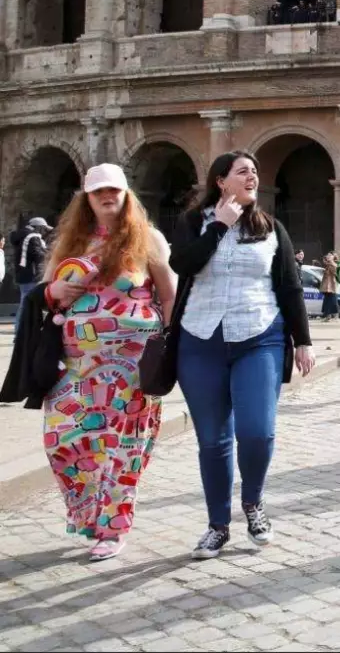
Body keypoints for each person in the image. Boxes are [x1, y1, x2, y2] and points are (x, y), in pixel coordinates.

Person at [170, 150, 315, 560]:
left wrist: (302, 340)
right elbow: (184, 265)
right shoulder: (192, 223)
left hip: (259, 336)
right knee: (213, 441)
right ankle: (218, 526)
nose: (252, 176)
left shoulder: (272, 229)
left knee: (257, 430)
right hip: (200, 340)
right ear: (220, 180)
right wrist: (219, 226)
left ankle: (253, 502)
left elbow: (288, 287)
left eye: (255, 171)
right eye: (242, 171)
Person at [30, 165, 176, 561]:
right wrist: (53, 291)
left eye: (114, 190)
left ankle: (113, 528)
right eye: (98, 192)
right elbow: (48, 294)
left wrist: (169, 344)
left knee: (121, 449)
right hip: (74, 368)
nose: (106, 197)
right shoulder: (71, 242)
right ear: (86, 199)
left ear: (127, 195)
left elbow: (168, 295)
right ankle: (88, 515)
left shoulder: (149, 240)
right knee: (62, 441)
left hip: (131, 369)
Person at [14, 216, 53, 301]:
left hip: (23, 273)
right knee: (27, 303)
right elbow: (37, 255)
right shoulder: (32, 237)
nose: (44, 232)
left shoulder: (23, 236)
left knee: (25, 300)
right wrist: (49, 254)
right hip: (31, 274)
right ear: (39, 228)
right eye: (44, 229)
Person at [320, 251, 339, 321]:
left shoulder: (334, 264)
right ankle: (328, 316)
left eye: (330, 255)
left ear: (333, 257)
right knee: (327, 301)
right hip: (327, 286)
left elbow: (335, 272)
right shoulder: (328, 264)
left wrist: (330, 262)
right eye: (328, 255)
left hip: (331, 285)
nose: (328, 256)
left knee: (332, 300)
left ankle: (335, 316)